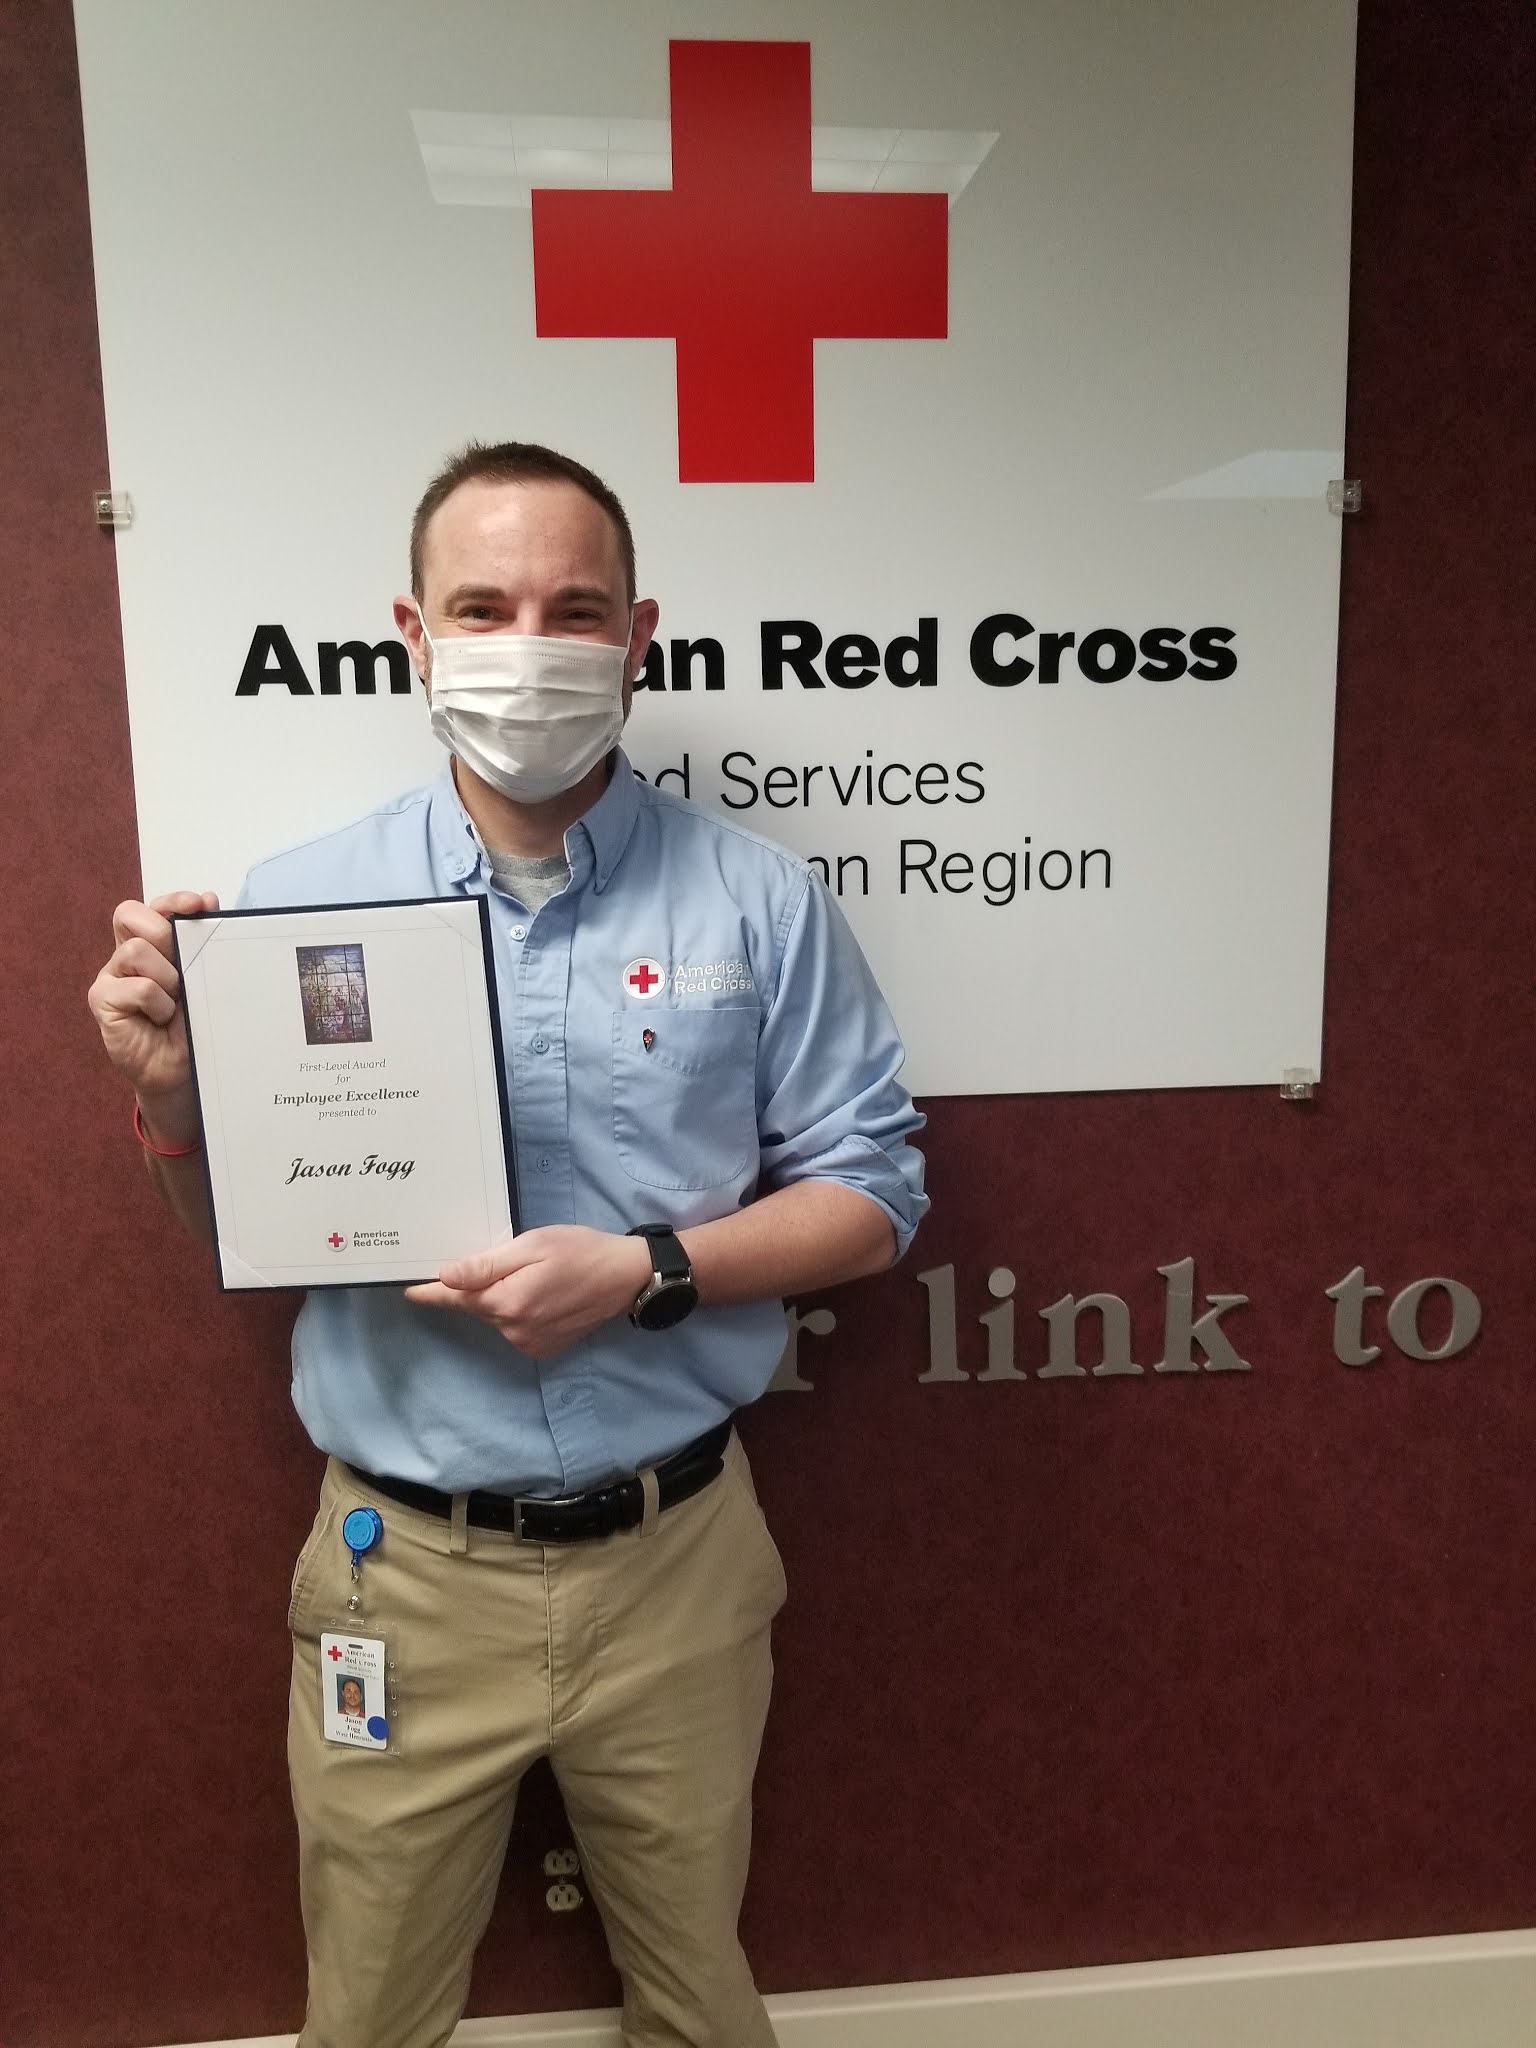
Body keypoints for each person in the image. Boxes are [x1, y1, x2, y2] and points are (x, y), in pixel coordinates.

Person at [88, 441, 928, 2048]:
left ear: (638, 635)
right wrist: (177, 1107)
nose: (528, 642)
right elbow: (261, 1234)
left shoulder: (756, 904)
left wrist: (648, 1270)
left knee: (699, 1997)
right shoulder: (303, 904)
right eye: (483, 606)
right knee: (372, 2017)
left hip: (677, 1564)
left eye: (573, 607)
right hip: (400, 1580)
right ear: (412, 631)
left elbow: (875, 1194)